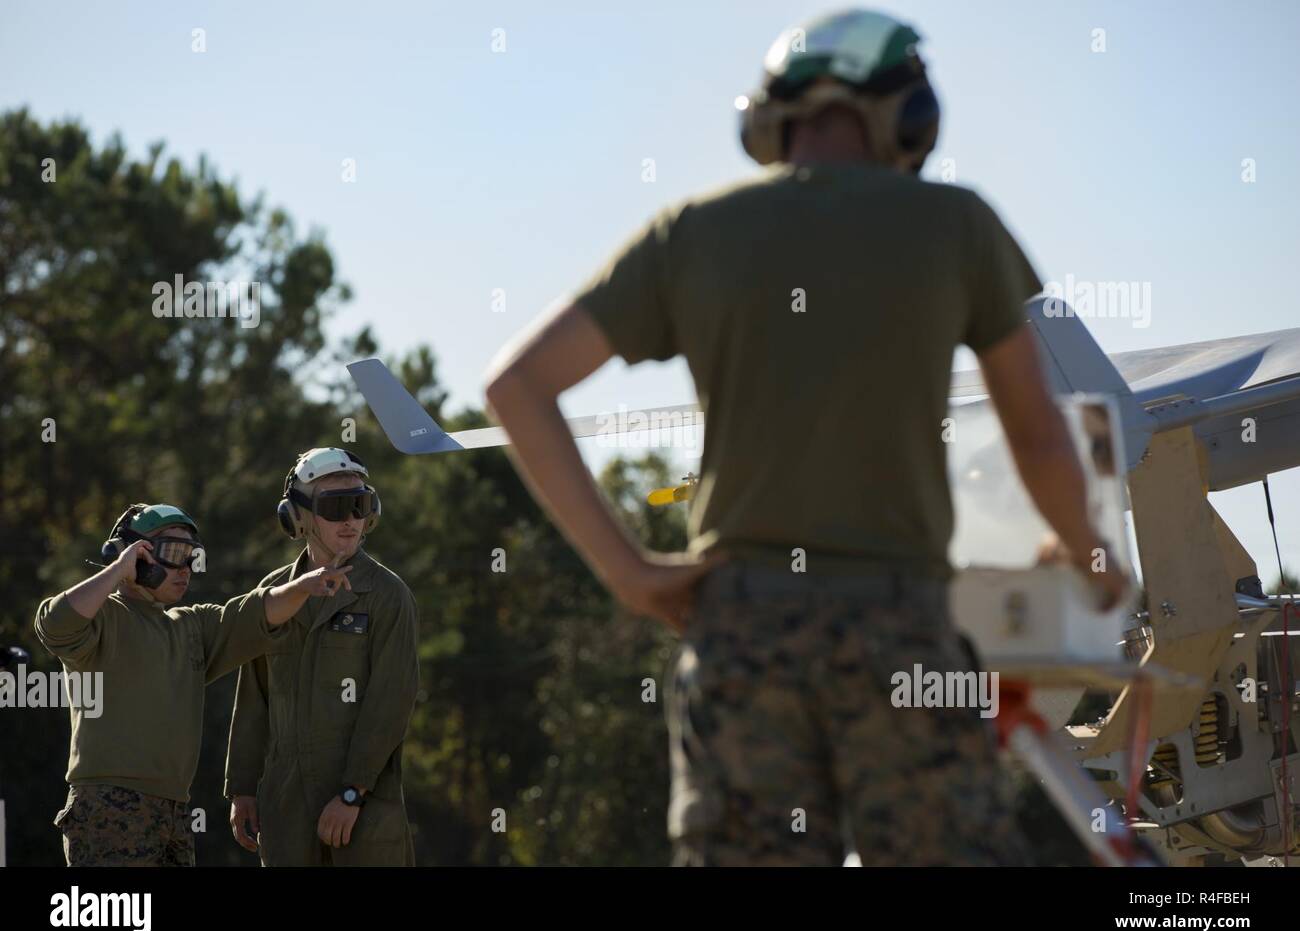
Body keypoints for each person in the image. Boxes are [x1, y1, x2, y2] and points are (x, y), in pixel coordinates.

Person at [482, 8, 1126, 865]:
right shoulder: (957, 225)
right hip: (903, 632)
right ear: (909, 115)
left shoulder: (692, 231)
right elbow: (1041, 441)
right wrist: (1090, 558)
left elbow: (514, 386)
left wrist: (629, 572)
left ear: (769, 117)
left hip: (740, 632)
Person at [34, 503, 349, 866]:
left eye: (191, 557)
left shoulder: (191, 626)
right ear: (134, 556)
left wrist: (303, 587)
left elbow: (252, 615)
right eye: (173, 554)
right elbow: (54, 623)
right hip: (107, 805)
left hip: (174, 809)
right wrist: (118, 569)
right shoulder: (104, 618)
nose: (185, 568)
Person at [224, 448, 419, 865]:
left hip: (361, 808)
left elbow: (390, 704)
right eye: (334, 507)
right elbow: (253, 699)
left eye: (360, 505)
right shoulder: (274, 594)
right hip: (285, 806)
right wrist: (241, 788)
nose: (351, 520)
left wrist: (352, 792)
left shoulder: (388, 596)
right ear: (298, 517)